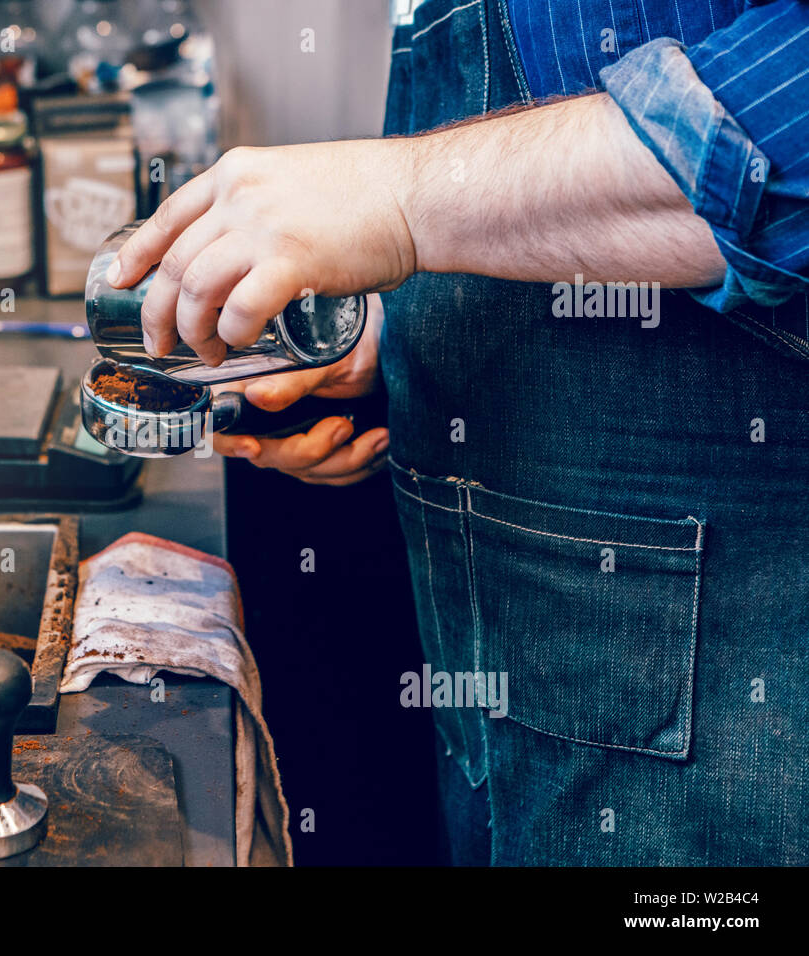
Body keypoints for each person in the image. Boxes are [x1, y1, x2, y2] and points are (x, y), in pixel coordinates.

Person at [109, 0, 809, 865]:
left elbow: (784, 118)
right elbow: (547, 242)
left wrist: (401, 195)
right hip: (503, 662)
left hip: (728, 686)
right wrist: (402, 346)